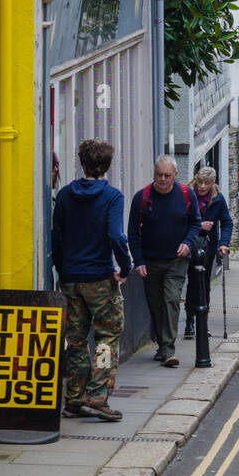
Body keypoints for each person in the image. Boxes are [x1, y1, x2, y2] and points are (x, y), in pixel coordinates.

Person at [51, 139, 133, 422]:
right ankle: (96, 396)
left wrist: (63, 271)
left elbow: (56, 240)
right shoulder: (112, 197)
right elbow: (115, 236)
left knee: (74, 340)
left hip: (71, 278)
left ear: (82, 163)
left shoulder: (63, 196)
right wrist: (125, 267)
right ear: (107, 165)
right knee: (106, 338)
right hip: (99, 277)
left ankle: (73, 398)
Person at [129, 156, 202, 367]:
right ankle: (162, 345)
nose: (162, 179)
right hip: (150, 261)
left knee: (171, 299)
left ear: (175, 175)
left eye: (166, 175)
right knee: (156, 304)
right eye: (158, 175)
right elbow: (133, 232)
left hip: (176, 260)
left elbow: (195, 223)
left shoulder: (186, 195)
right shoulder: (141, 198)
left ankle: (169, 349)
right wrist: (138, 260)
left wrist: (188, 242)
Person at [183, 167, 233, 339]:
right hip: (190, 244)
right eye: (200, 182)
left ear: (213, 183)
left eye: (207, 183)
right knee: (192, 283)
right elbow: (179, 220)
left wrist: (224, 244)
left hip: (208, 247)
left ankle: (202, 322)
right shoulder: (187, 195)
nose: (202, 186)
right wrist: (200, 225)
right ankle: (189, 321)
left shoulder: (218, 199)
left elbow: (227, 223)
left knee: (205, 284)